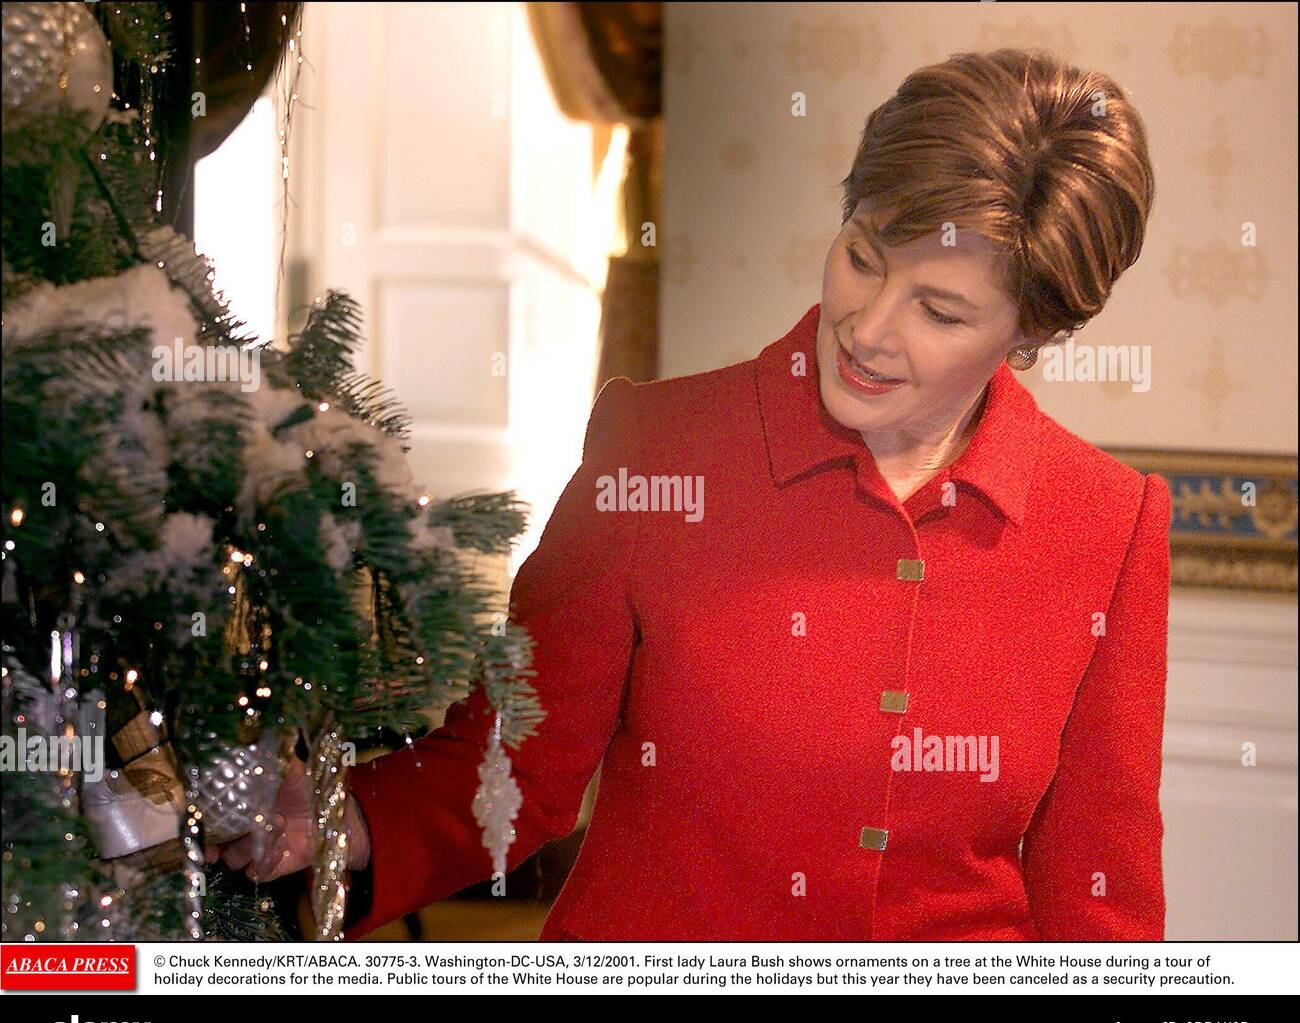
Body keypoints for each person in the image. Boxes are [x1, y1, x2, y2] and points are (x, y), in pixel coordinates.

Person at [215, 48, 1171, 942]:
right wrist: (341, 818)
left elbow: (1097, 887)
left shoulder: (1109, 523)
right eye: (865, 256)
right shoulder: (658, 449)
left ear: (1030, 330)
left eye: (941, 309)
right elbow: (521, 765)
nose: (869, 328)